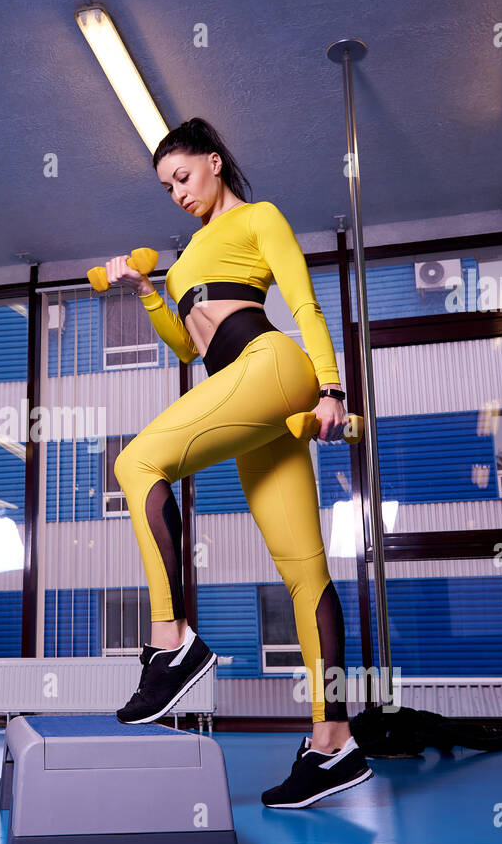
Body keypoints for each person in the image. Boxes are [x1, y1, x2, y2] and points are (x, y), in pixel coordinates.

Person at [107, 118, 372, 807]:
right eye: (166, 187)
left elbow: (305, 302)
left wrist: (333, 386)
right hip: (249, 401)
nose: (177, 193)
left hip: (274, 364)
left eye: (184, 176)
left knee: (135, 465)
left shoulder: (260, 217)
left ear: (215, 163)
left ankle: (173, 642)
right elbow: (188, 349)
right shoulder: (186, 253)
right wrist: (144, 288)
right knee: (306, 575)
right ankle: (332, 741)